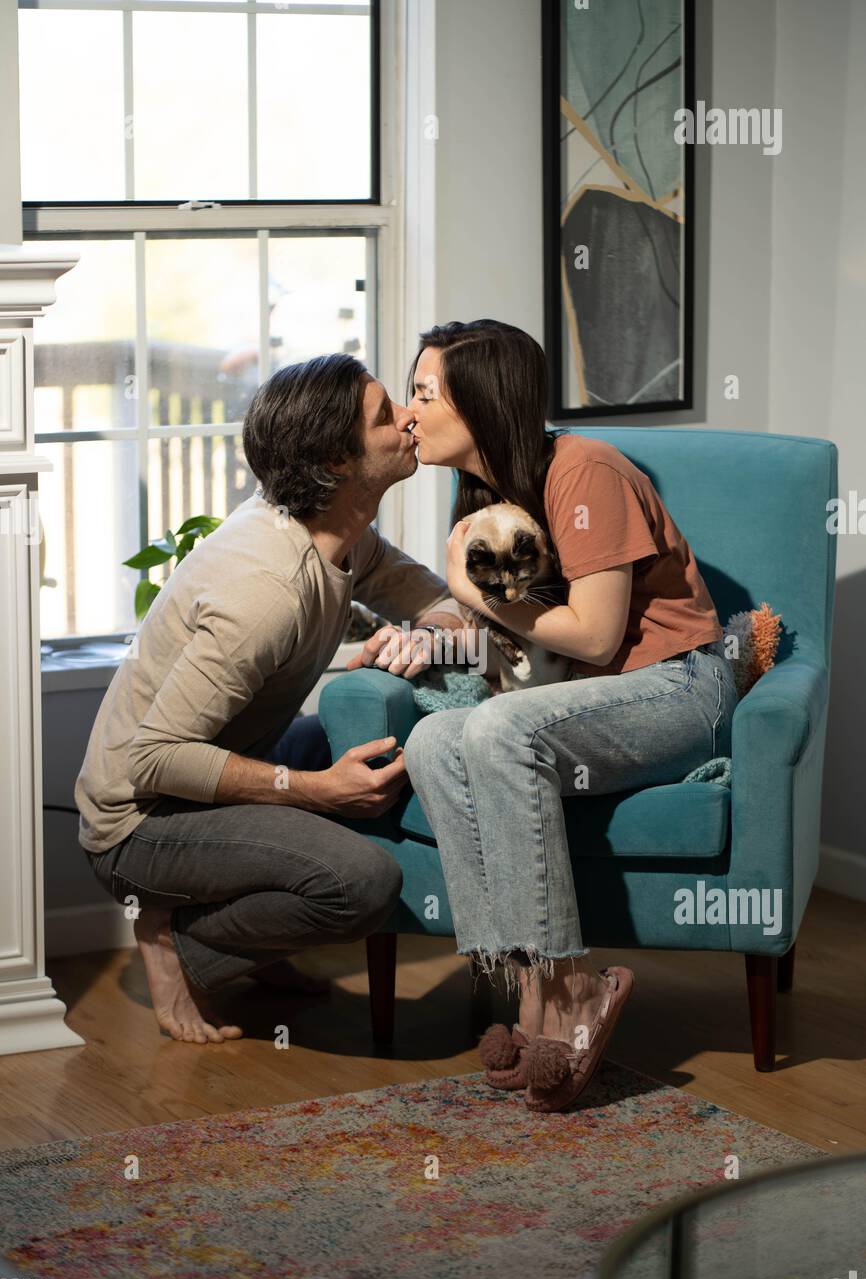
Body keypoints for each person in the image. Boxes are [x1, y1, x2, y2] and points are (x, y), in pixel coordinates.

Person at [368, 318, 739, 1113]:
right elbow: (514, 633)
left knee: (501, 728)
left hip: (676, 688)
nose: (408, 412)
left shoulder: (586, 472)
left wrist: (470, 592)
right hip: (586, 699)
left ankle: (573, 988)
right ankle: (524, 985)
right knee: (435, 736)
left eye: (424, 394)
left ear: (482, 402)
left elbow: (599, 639)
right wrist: (426, 643)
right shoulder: (488, 495)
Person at [75, 353, 466, 1044]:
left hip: (219, 765)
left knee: (373, 747)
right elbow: (155, 760)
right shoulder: (265, 591)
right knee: (365, 882)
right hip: (138, 823)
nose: (410, 416)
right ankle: (179, 943)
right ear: (335, 463)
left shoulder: (343, 536)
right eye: (386, 415)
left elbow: (441, 602)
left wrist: (428, 638)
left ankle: (256, 940)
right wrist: (317, 791)